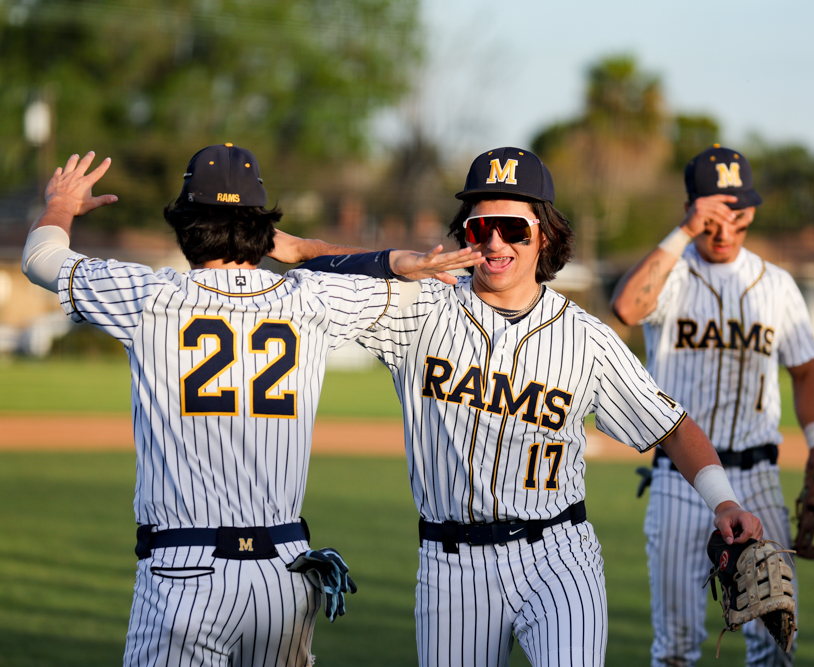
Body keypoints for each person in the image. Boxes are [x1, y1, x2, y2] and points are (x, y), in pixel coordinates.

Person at [267, 146, 764, 667]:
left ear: (543, 234)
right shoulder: (418, 308)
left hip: (558, 556)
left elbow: (671, 426)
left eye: (514, 228)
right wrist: (301, 249)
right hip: (451, 566)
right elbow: (321, 290)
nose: (496, 243)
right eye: (482, 229)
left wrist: (724, 501)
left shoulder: (585, 338)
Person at [20, 146, 482, 667]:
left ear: (185, 223)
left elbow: (40, 259)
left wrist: (61, 203)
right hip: (285, 576)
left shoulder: (150, 295)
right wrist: (305, 249)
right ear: (265, 228)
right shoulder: (310, 299)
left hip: (184, 572)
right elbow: (408, 277)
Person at [610, 144, 814, 667]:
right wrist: (683, 233)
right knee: (674, 649)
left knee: (777, 646)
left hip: (758, 475)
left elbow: (805, 371)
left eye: (736, 209)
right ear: (693, 207)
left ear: (751, 209)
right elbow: (626, 307)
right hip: (679, 478)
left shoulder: (777, 285)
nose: (725, 223)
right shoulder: (671, 273)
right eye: (712, 210)